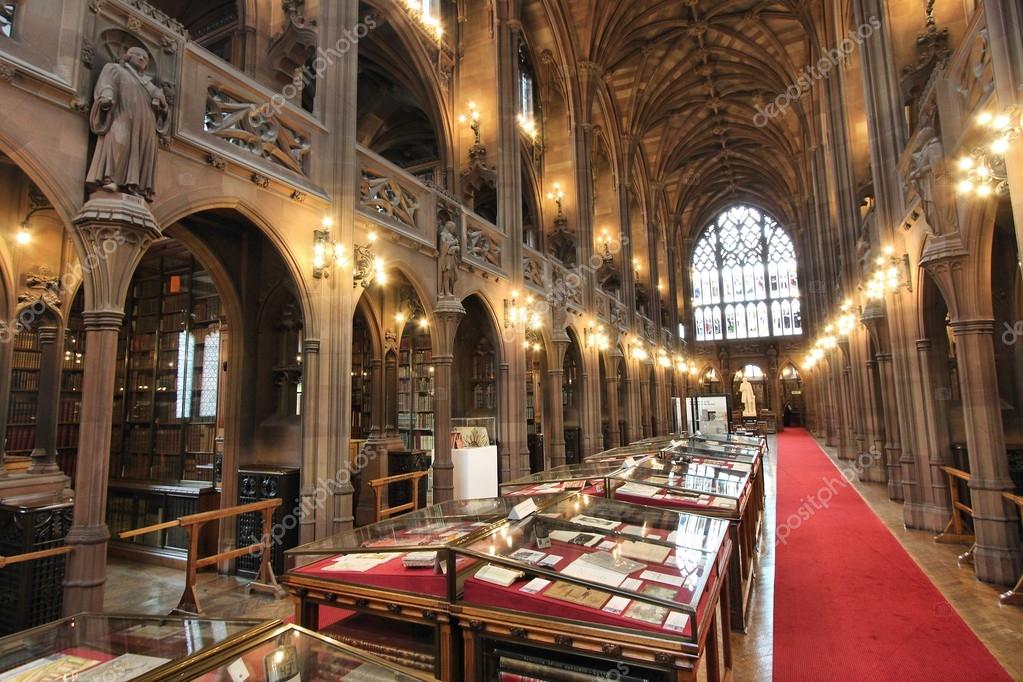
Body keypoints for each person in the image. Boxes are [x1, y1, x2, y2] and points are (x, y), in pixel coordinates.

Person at [86, 47, 169, 201]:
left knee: (141, 152)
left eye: (145, 57)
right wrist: (106, 96)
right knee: (119, 141)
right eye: (138, 55)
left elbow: (163, 111)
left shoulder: (150, 85)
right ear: (128, 56)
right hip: (123, 114)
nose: (142, 58)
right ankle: (111, 179)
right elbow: (106, 84)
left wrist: (163, 105)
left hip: (146, 124)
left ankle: (134, 186)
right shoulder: (115, 69)